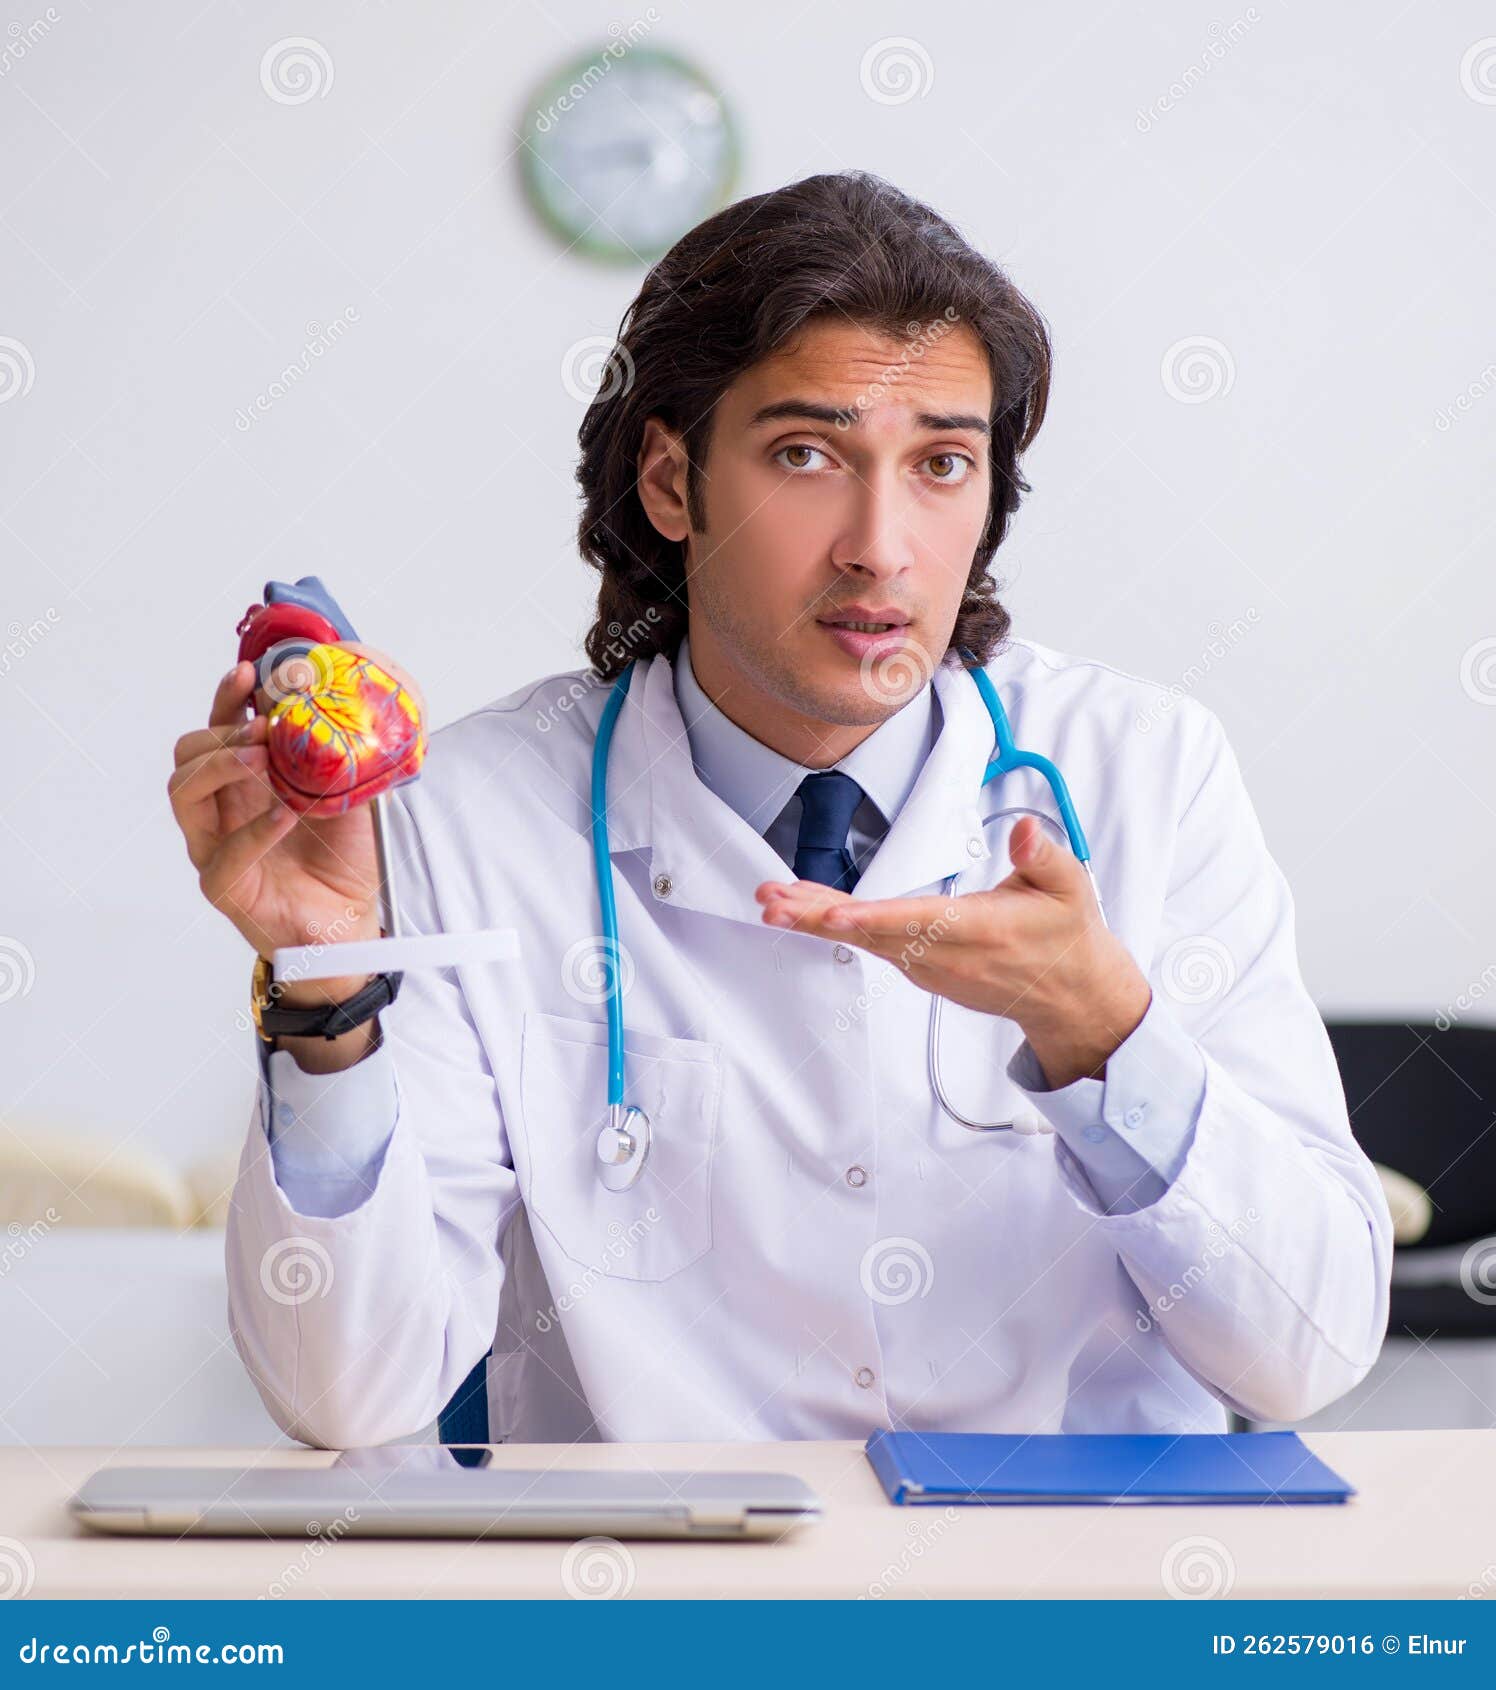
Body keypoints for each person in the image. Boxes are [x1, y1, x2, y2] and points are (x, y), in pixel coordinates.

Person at [168, 171, 1392, 1449]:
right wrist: (323, 984)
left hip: (1070, 1597)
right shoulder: (467, 814)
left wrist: (1104, 1032)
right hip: (665, 1610)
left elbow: (1304, 1353)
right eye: (805, 455)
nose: (879, 545)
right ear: (668, 480)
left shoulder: (1147, 770)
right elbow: (347, 1397)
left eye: (940, 465)